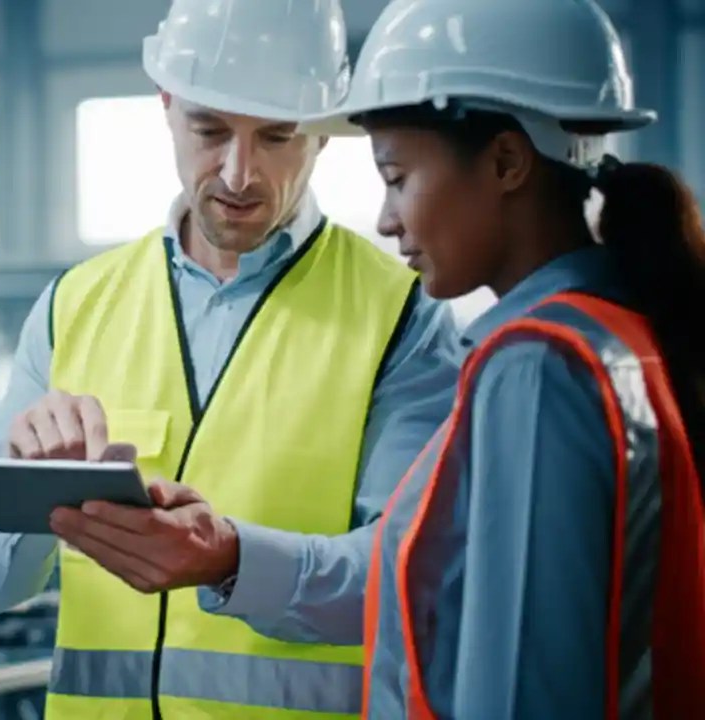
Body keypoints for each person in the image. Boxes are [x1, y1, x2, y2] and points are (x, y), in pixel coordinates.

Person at [0, 0, 462, 716]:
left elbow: (412, 580)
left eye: (277, 136)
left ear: (322, 137)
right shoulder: (75, 305)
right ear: (165, 105)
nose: (240, 173)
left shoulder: (402, 318)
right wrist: (20, 489)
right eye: (209, 129)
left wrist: (233, 561)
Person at [297, 0, 705, 716]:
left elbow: (523, 689)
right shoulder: (621, 335)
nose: (387, 218)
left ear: (507, 161)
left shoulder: (537, 368)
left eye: (396, 178)